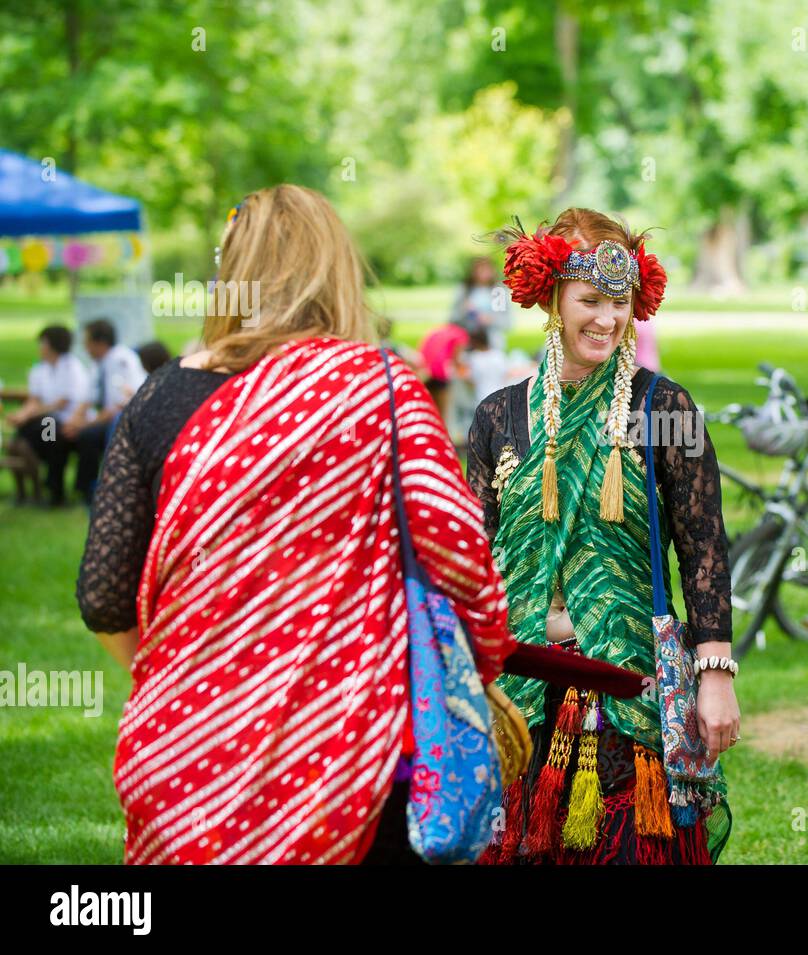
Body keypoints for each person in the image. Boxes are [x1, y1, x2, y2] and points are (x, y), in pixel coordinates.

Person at [75, 184, 515, 864]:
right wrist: (484, 657)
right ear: (337, 269)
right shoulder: (382, 388)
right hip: (354, 758)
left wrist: (193, 682)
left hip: (186, 762)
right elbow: (459, 550)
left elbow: (103, 596)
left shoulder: (158, 398)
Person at [468, 208, 737, 865]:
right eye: (590, 300)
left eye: (619, 303)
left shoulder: (662, 409)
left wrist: (716, 672)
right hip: (522, 685)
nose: (607, 320)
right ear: (551, 298)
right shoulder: (498, 415)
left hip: (629, 688)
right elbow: (473, 558)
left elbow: (703, 545)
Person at [65, 318, 147, 506]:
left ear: (100, 343)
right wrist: (73, 422)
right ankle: (75, 489)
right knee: (57, 434)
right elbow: (88, 398)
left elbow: (117, 407)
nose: (85, 348)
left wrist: (82, 425)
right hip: (102, 420)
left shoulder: (121, 361)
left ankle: (97, 489)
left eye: (87, 343)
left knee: (87, 436)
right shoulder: (98, 364)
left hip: (124, 422)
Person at [6, 325, 90, 507]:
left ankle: (53, 491)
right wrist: (21, 414)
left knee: (47, 435)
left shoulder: (71, 367)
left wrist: (30, 414)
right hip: (46, 422)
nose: (40, 347)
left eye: (43, 343)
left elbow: (62, 403)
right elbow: (34, 399)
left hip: (66, 422)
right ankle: (30, 489)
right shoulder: (40, 369)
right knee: (23, 435)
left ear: (52, 345)